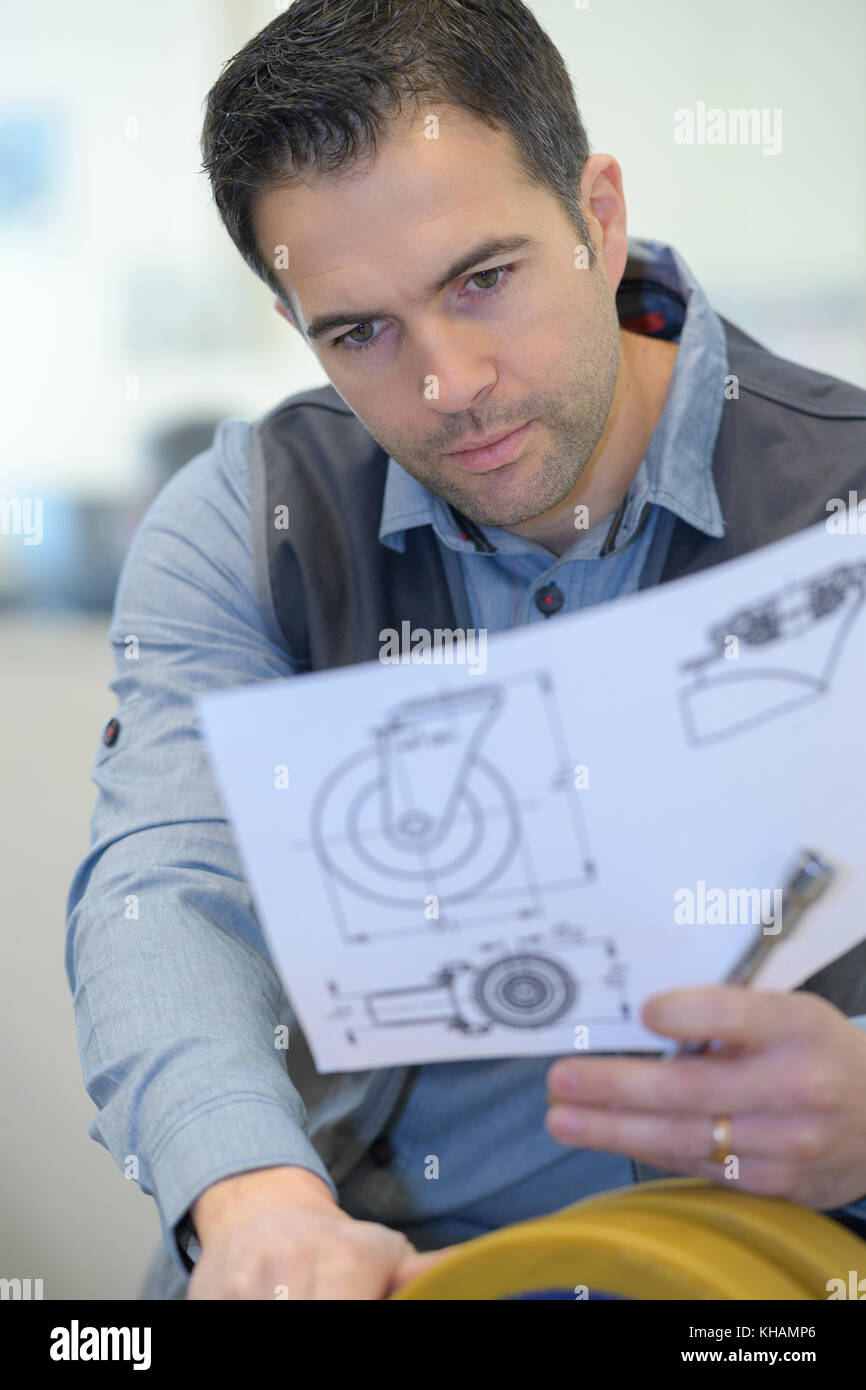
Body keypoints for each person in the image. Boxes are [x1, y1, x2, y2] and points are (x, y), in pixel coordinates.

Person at [66, 0, 866, 1302]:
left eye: (482, 279)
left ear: (596, 219)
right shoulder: (252, 515)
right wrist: (252, 1199)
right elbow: (164, 884)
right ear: (297, 326)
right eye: (359, 331)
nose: (447, 384)